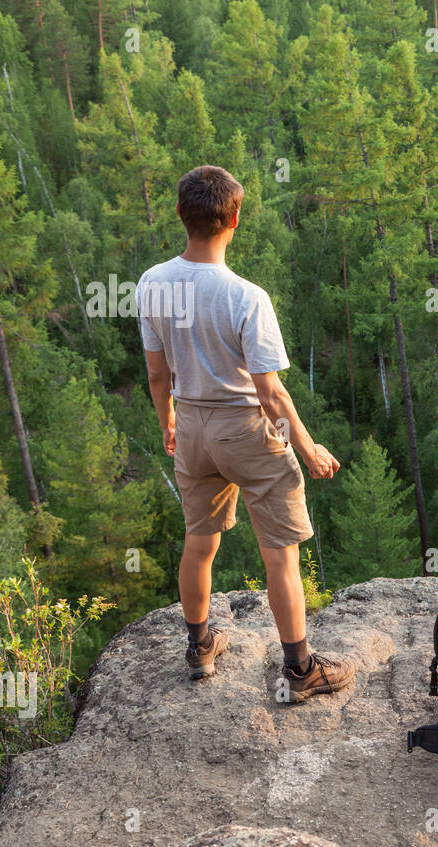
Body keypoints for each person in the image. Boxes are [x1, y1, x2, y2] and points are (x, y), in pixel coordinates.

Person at [138, 165, 356, 704]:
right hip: (246, 432)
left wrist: (166, 420)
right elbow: (271, 394)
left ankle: (200, 648)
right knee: (279, 554)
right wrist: (307, 449)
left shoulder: (151, 283)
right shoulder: (246, 297)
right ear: (234, 218)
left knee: (200, 541)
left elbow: (157, 373)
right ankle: (301, 669)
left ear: (180, 216)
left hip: (190, 424)